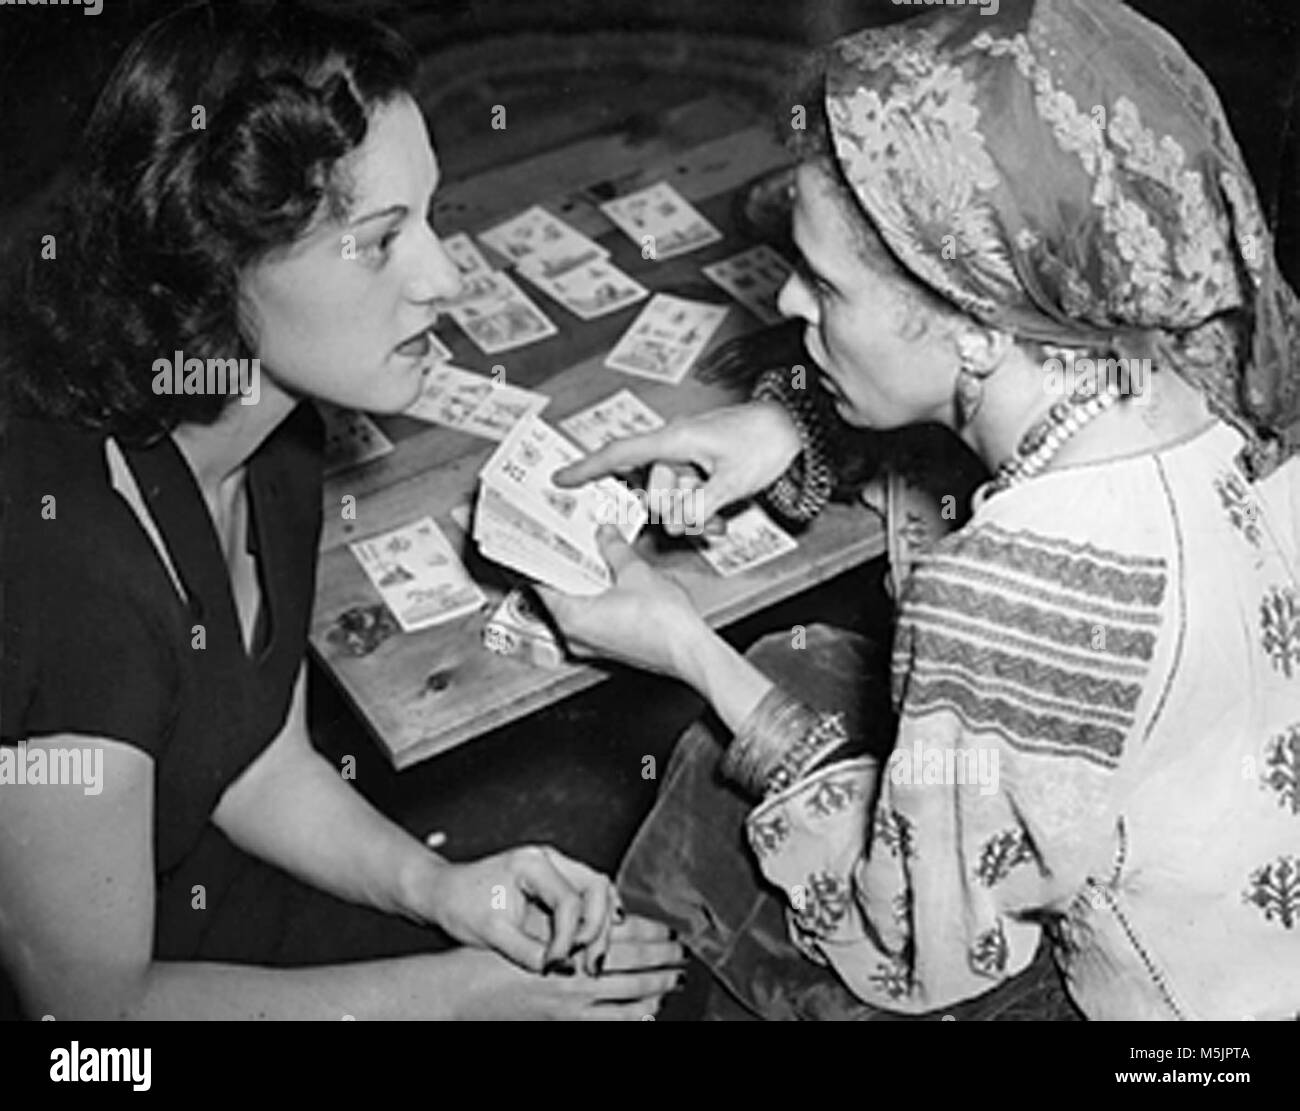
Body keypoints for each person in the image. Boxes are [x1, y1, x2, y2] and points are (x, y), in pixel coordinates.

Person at [542, 0, 1300, 1020]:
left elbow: (911, 940)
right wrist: (789, 429)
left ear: (978, 320)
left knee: (735, 750)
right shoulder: (1197, 369)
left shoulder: (1001, 593)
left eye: (822, 283)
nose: (789, 309)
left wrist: (687, 650)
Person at [0, 0, 682, 1020]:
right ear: (214, 263)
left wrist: (442, 888)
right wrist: (453, 997)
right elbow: (85, 1013)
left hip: (191, 905)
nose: (443, 280)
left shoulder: (277, 438)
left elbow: (251, 754)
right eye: (377, 242)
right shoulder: (74, 582)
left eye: (431, 218)